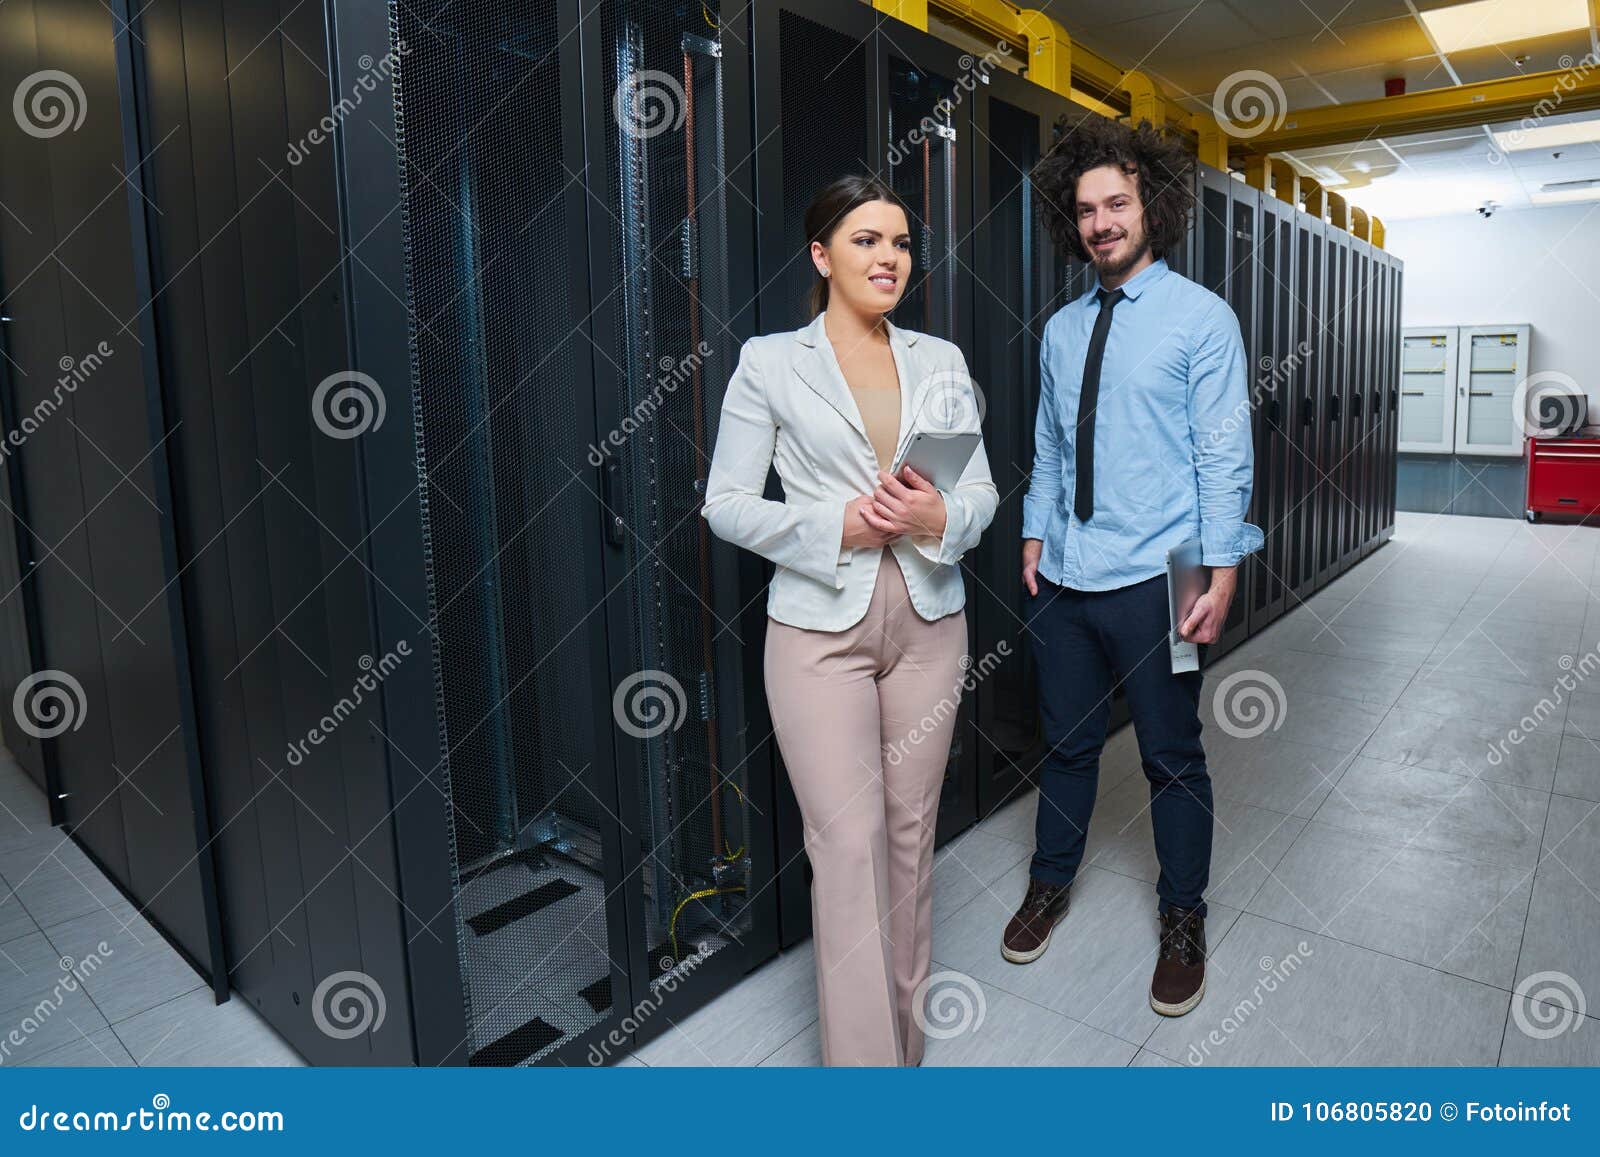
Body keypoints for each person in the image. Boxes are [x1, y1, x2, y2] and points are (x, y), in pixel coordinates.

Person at [702, 174, 997, 1064]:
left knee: (910, 835)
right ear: (822, 256)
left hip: (930, 625)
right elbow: (724, 504)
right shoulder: (771, 362)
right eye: (866, 240)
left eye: (900, 242)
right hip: (819, 634)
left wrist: (936, 516)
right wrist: (836, 526)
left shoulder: (940, 362)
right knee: (847, 845)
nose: (888, 258)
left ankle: (906, 1051)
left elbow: (978, 492)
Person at [1002, 118, 1263, 1018]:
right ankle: (1049, 885)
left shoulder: (1202, 319)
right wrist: (1034, 535)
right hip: (1067, 577)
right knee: (1067, 745)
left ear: (1152, 206)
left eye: (1116, 204)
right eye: (1086, 210)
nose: (1102, 223)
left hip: (1167, 575)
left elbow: (1223, 456)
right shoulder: (1061, 329)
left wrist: (1220, 572)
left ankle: (1183, 918)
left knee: (1172, 756)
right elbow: (1048, 442)